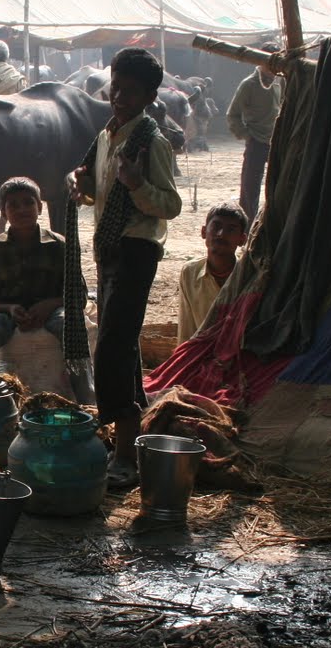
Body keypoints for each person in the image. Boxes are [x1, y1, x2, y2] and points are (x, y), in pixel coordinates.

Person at [68, 47, 182, 489]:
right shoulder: (106, 136)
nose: (119, 96)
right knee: (122, 341)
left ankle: (124, 448)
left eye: (130, 91)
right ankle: (131, 440)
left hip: (137, 251)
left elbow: (168, 205)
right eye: (116, 87)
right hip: (109, 248)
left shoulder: (152, 141)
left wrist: (136, 184)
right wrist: (83, 188)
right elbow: (99, 192)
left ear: (150, 96)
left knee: (112, 347)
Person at [0, 177, 87, 399]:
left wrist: (48, 305)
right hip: (9, 314)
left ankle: (86, 399)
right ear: (3, 212)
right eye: (13, 205)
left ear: (40, 207)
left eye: (28, 202)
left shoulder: (59, 245)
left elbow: (79, 295)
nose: (22, 209)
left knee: (70, 329)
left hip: (54, 310)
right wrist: (10, 309)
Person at [175, 201, 250, 343]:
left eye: (231, 229)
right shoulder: (190, 273)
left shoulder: (248, 275)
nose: (221, 234)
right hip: (201, 353)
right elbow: (187, 330)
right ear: (204, 232)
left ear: (242, 239)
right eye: (216, 226)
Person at [226, 42, 282, 222]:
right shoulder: (249, 85)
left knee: (278, 185)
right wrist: (246, 135)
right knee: (250, 189)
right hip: (256, 142)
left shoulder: (279, 83)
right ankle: (246, 228)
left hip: (276, 142)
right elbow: (233, 114)